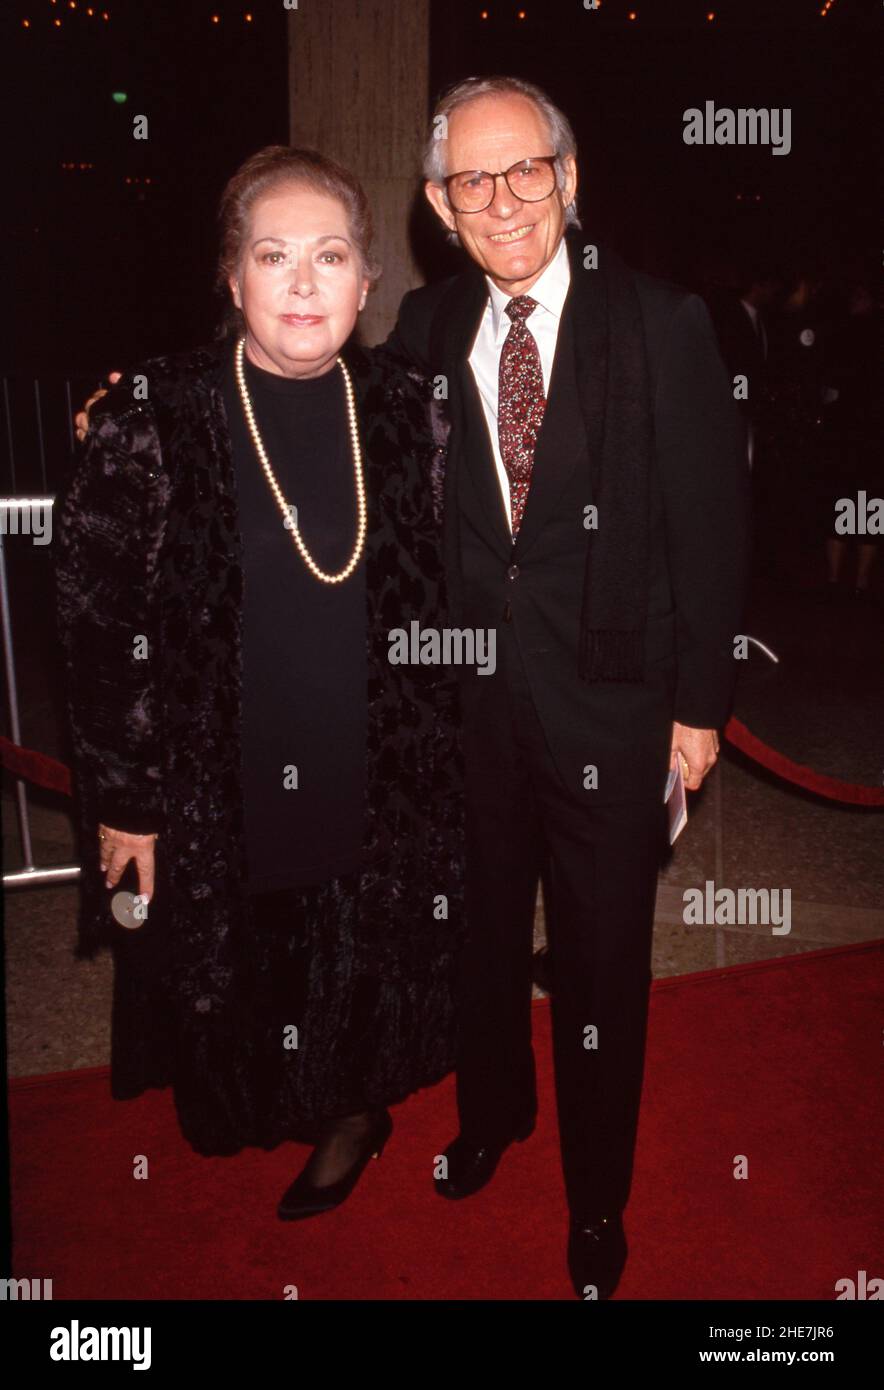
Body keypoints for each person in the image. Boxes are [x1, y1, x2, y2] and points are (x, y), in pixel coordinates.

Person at [388, 76, 750, 1299]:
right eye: (471, 181)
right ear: (440, 205)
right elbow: (359, 475)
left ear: (568, 176)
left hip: (613, 702)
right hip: (468, 703)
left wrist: (698, 711)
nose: (502, 200)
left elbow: (709, 530)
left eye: (524, 169)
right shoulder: (427, 332)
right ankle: (492, 1115)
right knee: (479, 935)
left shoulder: (657, 323)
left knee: (600, 964)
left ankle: (596, 1205)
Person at [56, 145, 463, 1220]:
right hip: (214, 769)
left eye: (329, 255)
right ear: (229, 278)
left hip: (376, 760)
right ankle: (262, 1094)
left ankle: (351, 1111)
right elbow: (100, 625)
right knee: (243, 946)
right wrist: (129, 800)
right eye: (271, 254)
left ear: (367, 285)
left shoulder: (412, 408)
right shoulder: (157, 411)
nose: (300, 281)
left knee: (357, 942)